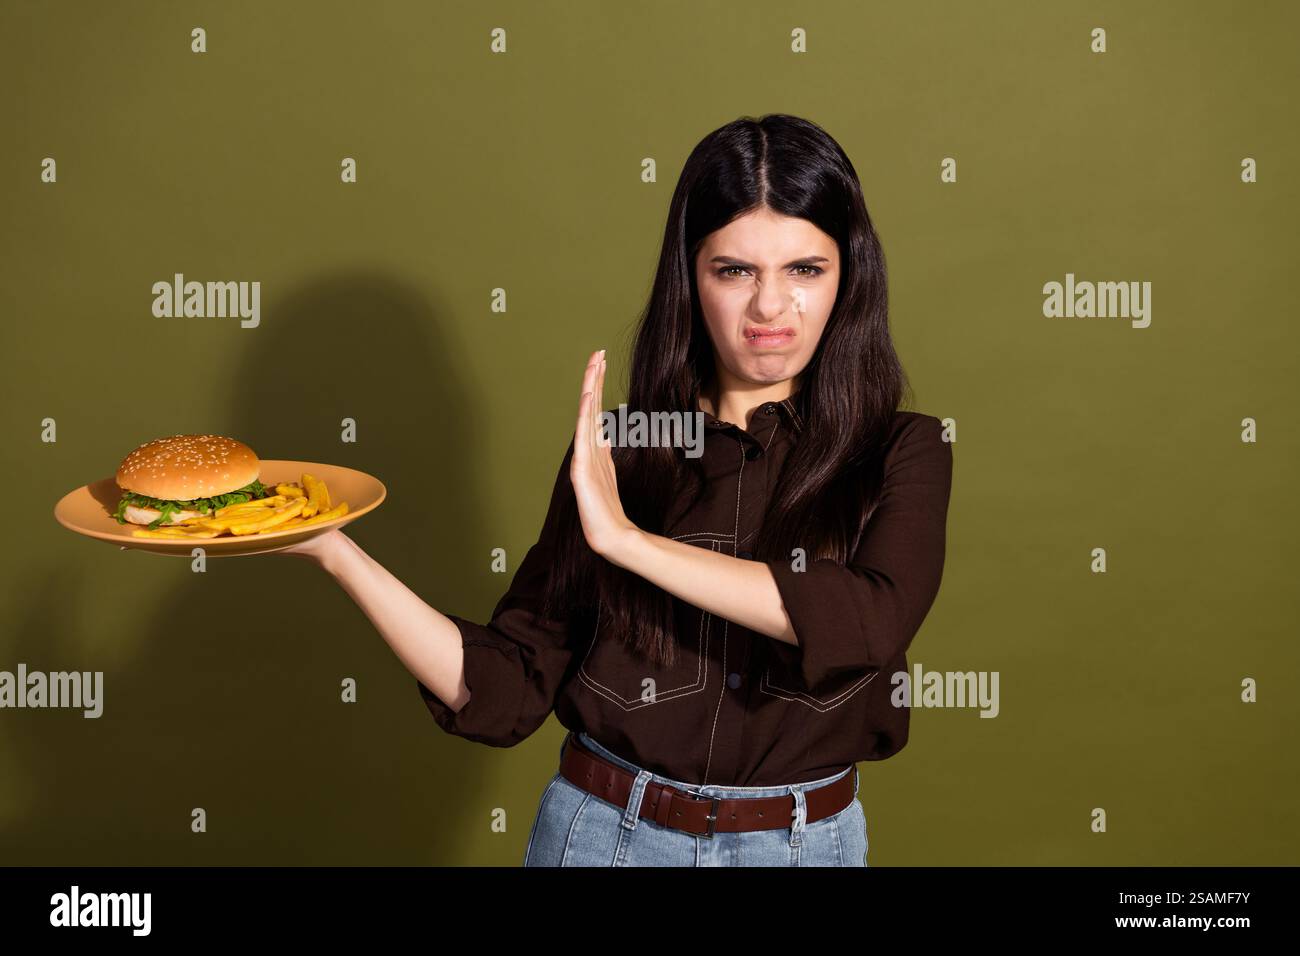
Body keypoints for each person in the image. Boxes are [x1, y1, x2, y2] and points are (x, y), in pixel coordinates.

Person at [282, 113, 953, 866]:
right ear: (690, 278)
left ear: (848, 274)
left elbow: (869, 622)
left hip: (803, 845)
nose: (770, 308)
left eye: (805, 269)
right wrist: (334, 552)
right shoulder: (619, 454)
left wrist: (630, 545)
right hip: (606, 838)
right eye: (734, 270)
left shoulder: (903, 449)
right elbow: (506, 689)